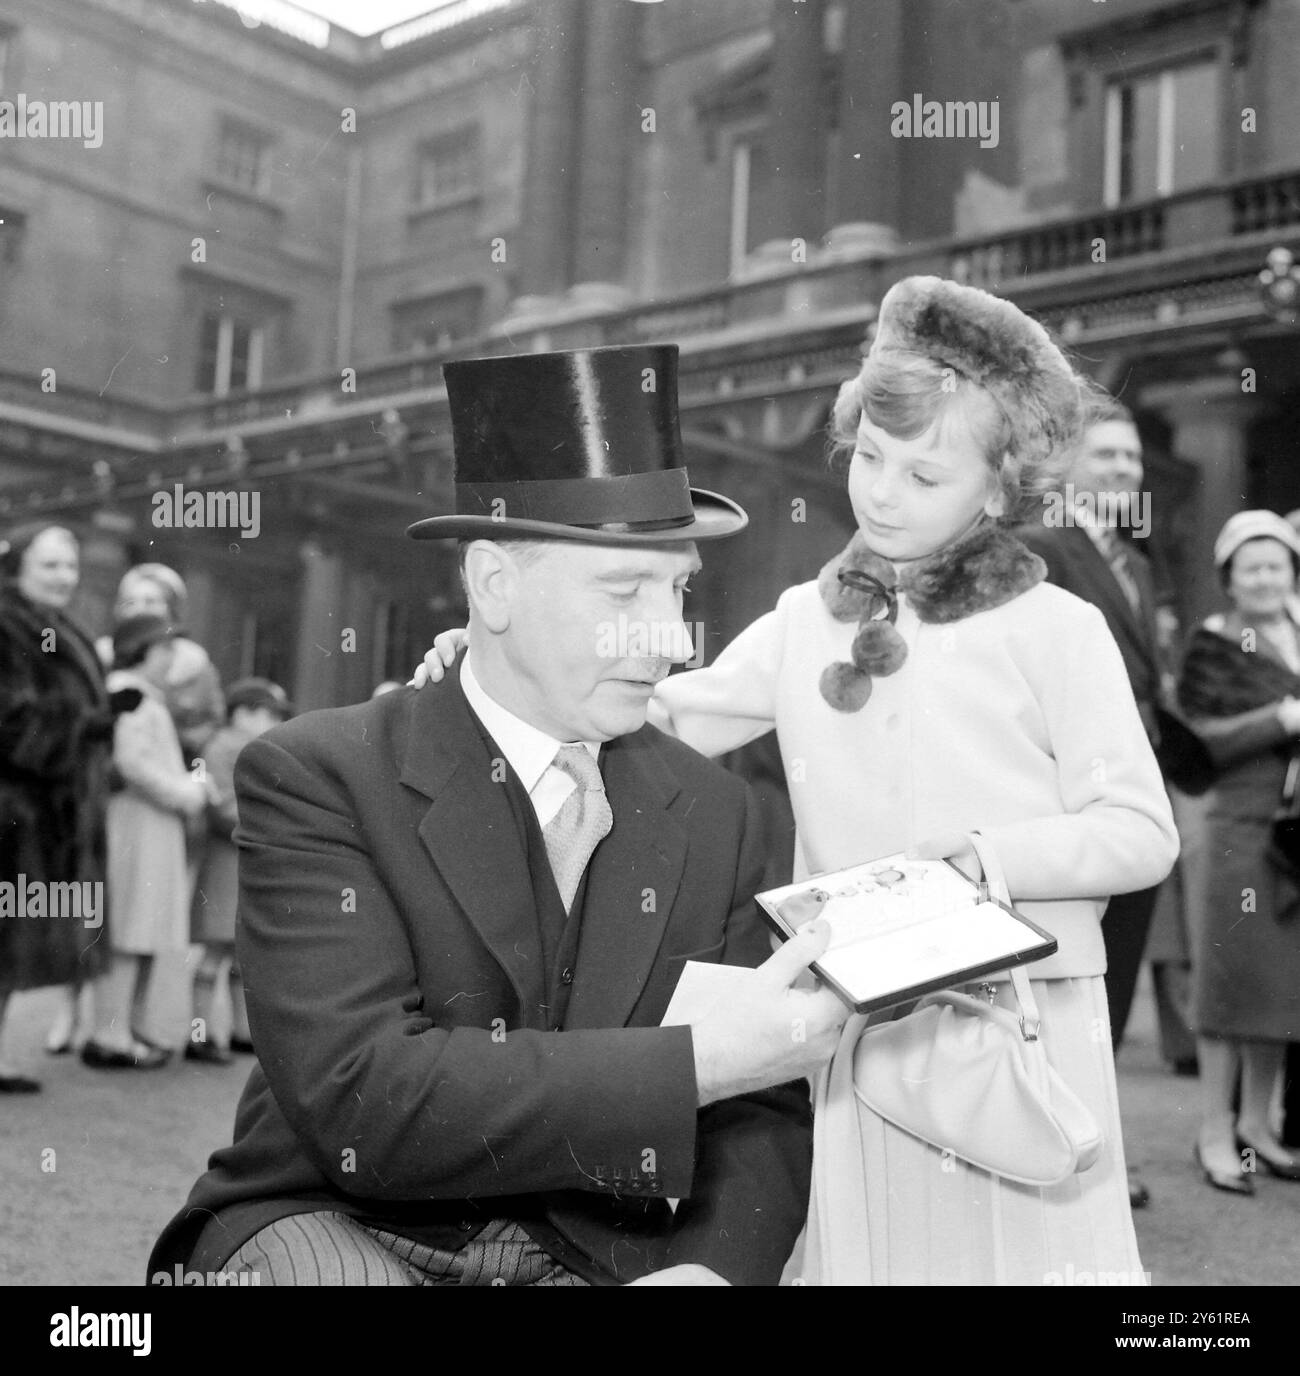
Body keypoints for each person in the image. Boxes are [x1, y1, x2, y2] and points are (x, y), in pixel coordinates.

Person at [417, 279, 1180, 1285]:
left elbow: (1141, 831)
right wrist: (488, 659)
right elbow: (662, 705)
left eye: (923, 474)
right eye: (869, 454)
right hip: (856, 1004)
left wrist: (989, 856)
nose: (881, 492)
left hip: (1018, 1007)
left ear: (997, 491)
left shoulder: (1056, 627)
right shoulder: (803, 616)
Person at [148, 344, 841, 1287]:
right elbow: (365, 1099)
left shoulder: (718, 811)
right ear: (493, 586)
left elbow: (762, 1114)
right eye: (623, 591)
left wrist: (712, 1272)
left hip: (597, 1253)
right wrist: (691, 1066)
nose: (674, 640)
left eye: (678, 589)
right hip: (339, 1219)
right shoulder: (321, 776)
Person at [1016, 395, 1185, 1208]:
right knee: (1071, 981)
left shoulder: (1138, 562)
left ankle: (1102, 1151)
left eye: (1132, 460)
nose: (1124, 470)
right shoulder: (1040, 547)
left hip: (1135, 797)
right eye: (1107, 456)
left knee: (1113, 990)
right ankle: (1060, 1151)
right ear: (1067, 467)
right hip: (1070, 803)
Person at [1175, 510, 1300, 1191]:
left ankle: (1257, 1127)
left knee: (1280, 988)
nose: (1263, 578)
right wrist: (1277, 719)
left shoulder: (1297, 630)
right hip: (1238, 828)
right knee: (1227, 985)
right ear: (1228, 578)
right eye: (1249, 567)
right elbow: (1199, 737)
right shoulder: (1214, 642)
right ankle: (1214, 1133)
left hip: (1293, 833)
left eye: (1275, 564)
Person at [0, 523, 117, 1092]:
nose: (65, 576)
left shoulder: (61, 628)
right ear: (17, 566)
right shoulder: (6, 623)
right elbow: (11, 722)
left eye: (71, 565)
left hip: (48, 808)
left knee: (11, 936)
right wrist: (90, 723)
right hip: (14, 805)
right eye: (50, 565)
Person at [81, 616, 207, 1069]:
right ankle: (110, 1037)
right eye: (163, 650)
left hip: (147, 826)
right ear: (142, 651)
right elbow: (133, 764)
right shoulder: (127, 695)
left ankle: (124, 1032)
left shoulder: (142, 696)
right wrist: (187, 793)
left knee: (139, 931)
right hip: (136, 827)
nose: (170, 659)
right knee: (129, 931)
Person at [187, 678, 293, 1065]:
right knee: (218, 948)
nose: (273, 720)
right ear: (243, 712)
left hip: (235, 858)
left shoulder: (229, 745)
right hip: (227, 859)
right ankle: (201, 1033)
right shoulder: (224, 747)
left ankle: (235, 1031)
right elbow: (222, 805)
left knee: (235, 952)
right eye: (267, 713)